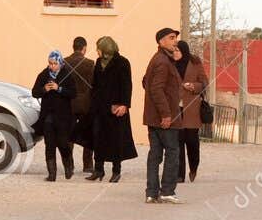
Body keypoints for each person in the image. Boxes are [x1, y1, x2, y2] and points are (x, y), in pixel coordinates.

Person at [141, 26, 184, 204]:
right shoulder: (163, 62)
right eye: (171, 38)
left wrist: (176, 61)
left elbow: (146, 82)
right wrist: (166, 114)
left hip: (154, 117)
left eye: (175, 38)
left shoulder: (160, 59)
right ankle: (167, 191)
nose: (175, 41)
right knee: (172, 153)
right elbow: (156, 89)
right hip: (164, 118)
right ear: (161, 41)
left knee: (155, 155)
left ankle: (151, 193)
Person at [88, 36, 138, 181]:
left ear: (105, 48)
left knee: (116, 139)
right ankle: (99, 170)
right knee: (98, 138)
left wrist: (125, 104)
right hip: (100, 108)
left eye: (98, 48)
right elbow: (95, 84)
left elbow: (127, 85)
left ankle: (116, 171)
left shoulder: (122, 62)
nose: (97, 50)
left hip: (116, 108)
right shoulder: (98, 62)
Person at [31, 50, 77, 181]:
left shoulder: (67, 75)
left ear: (60, 63)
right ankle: (52, 174)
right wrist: (44, 90)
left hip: (63, 117)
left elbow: (73, 93)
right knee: (49, 144)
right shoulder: (43, 75)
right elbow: (34, 92)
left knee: (63, 143)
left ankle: (68, 165)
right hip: (48, 116)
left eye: (55, 63)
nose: (52, 66)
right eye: (50, 63)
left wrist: (59, 88)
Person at [175, 38, 209, 183]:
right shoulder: (170, 63)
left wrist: (194, 86)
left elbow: (205, 83)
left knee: (192, 141)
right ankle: (179, 174)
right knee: (177, 141)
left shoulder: (195, 63)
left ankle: (193, 168)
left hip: (191, 108)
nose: (175, 52)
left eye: (177, 50)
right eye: (174, 50)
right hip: (175, 107)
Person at [64, 36, 96, 176]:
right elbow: (94, 84)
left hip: (68, 102)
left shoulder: (64, 62)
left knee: (68, 135)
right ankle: (88, 165)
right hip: (85, 104)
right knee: (88, 133)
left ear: (73, 47)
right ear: (84, 48)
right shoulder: (90, 63)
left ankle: (69, 165)